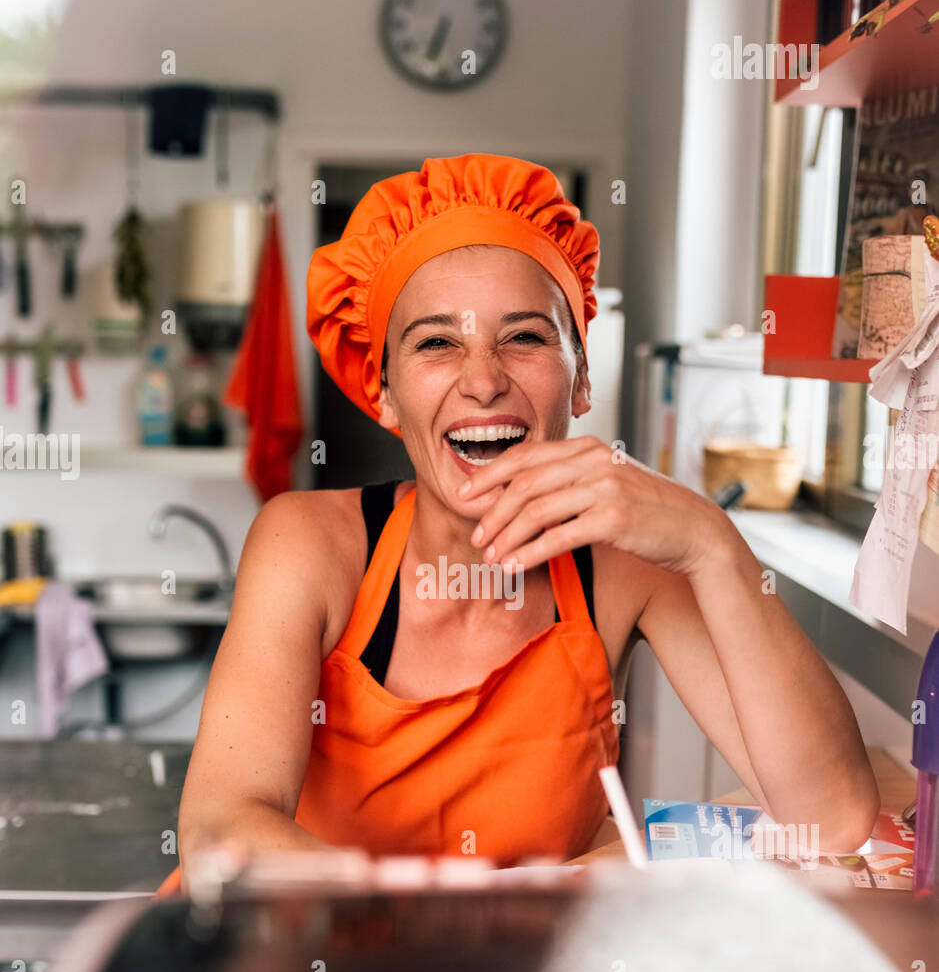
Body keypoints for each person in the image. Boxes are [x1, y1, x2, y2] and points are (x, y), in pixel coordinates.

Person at [173, 153, 877, 886]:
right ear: (382, 394)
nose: (483, 381)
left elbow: (830, 818)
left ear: (579, 380)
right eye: (437, 343)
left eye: (526, 337)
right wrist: (454, 920)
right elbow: (220, 835)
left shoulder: (626, 565)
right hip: (315, 969)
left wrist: (712, 544)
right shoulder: (309, 544)